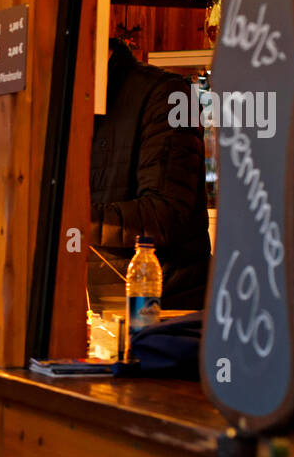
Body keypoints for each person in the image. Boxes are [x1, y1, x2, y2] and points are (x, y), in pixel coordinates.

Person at [90, 38, 211, 310]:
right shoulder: (69, 103)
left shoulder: (166, 93)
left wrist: (69, 219)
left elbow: (164, 215)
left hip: (166, 310)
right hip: (101, 306)